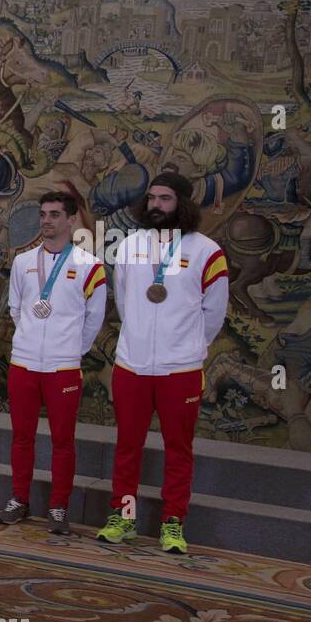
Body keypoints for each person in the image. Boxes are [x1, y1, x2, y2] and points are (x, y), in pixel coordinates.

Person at [97, 171, 229, 553]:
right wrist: (138, 340)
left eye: (165, 198)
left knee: (179, 448)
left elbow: (214, 313)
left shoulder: (207, 252)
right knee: (127, 445)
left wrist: (186, 347)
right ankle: (123, 518)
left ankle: (174, 523)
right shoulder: (129, 246)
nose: (155, 205)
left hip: (181, 370)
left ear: (183, 204)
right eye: (152, 198)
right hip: (132, 366)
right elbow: (124, 301)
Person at [0, 191, 107, 534]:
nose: (46, 220)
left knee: (63, 440)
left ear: (72, 220)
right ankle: (19, 499)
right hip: (24, 364)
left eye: (55, 214)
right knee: (22, 436)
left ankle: (59, 507)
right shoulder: (23, 262)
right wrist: (30, 340)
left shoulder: (90, 267)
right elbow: (16, 309)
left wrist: (70, 350)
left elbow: (94, 319)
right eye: (43, 214)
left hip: (63, 368)